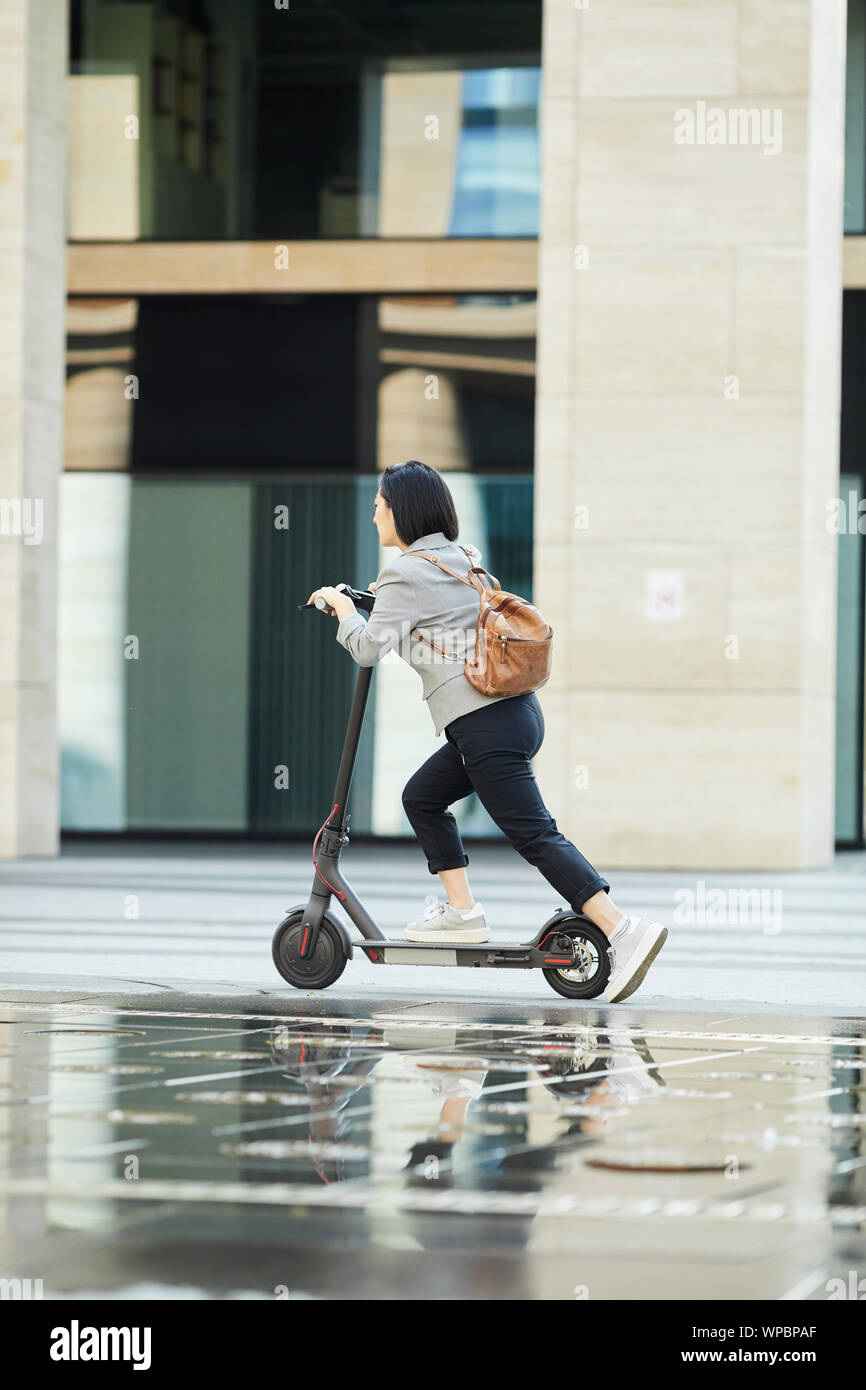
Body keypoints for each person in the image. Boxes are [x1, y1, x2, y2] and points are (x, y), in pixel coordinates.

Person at [307, 460, 667, 1003]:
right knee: (422, 798)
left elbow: (367, 649)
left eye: (380, 501)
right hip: (513, 715)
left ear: (403, 509)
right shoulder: (459, 559)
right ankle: (462, 913)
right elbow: (428, 618)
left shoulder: (406, 571)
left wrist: (340, 608)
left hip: (484, 725)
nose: (373, 509)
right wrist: (370, 603)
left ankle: (620, 928)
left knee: (534, 834)